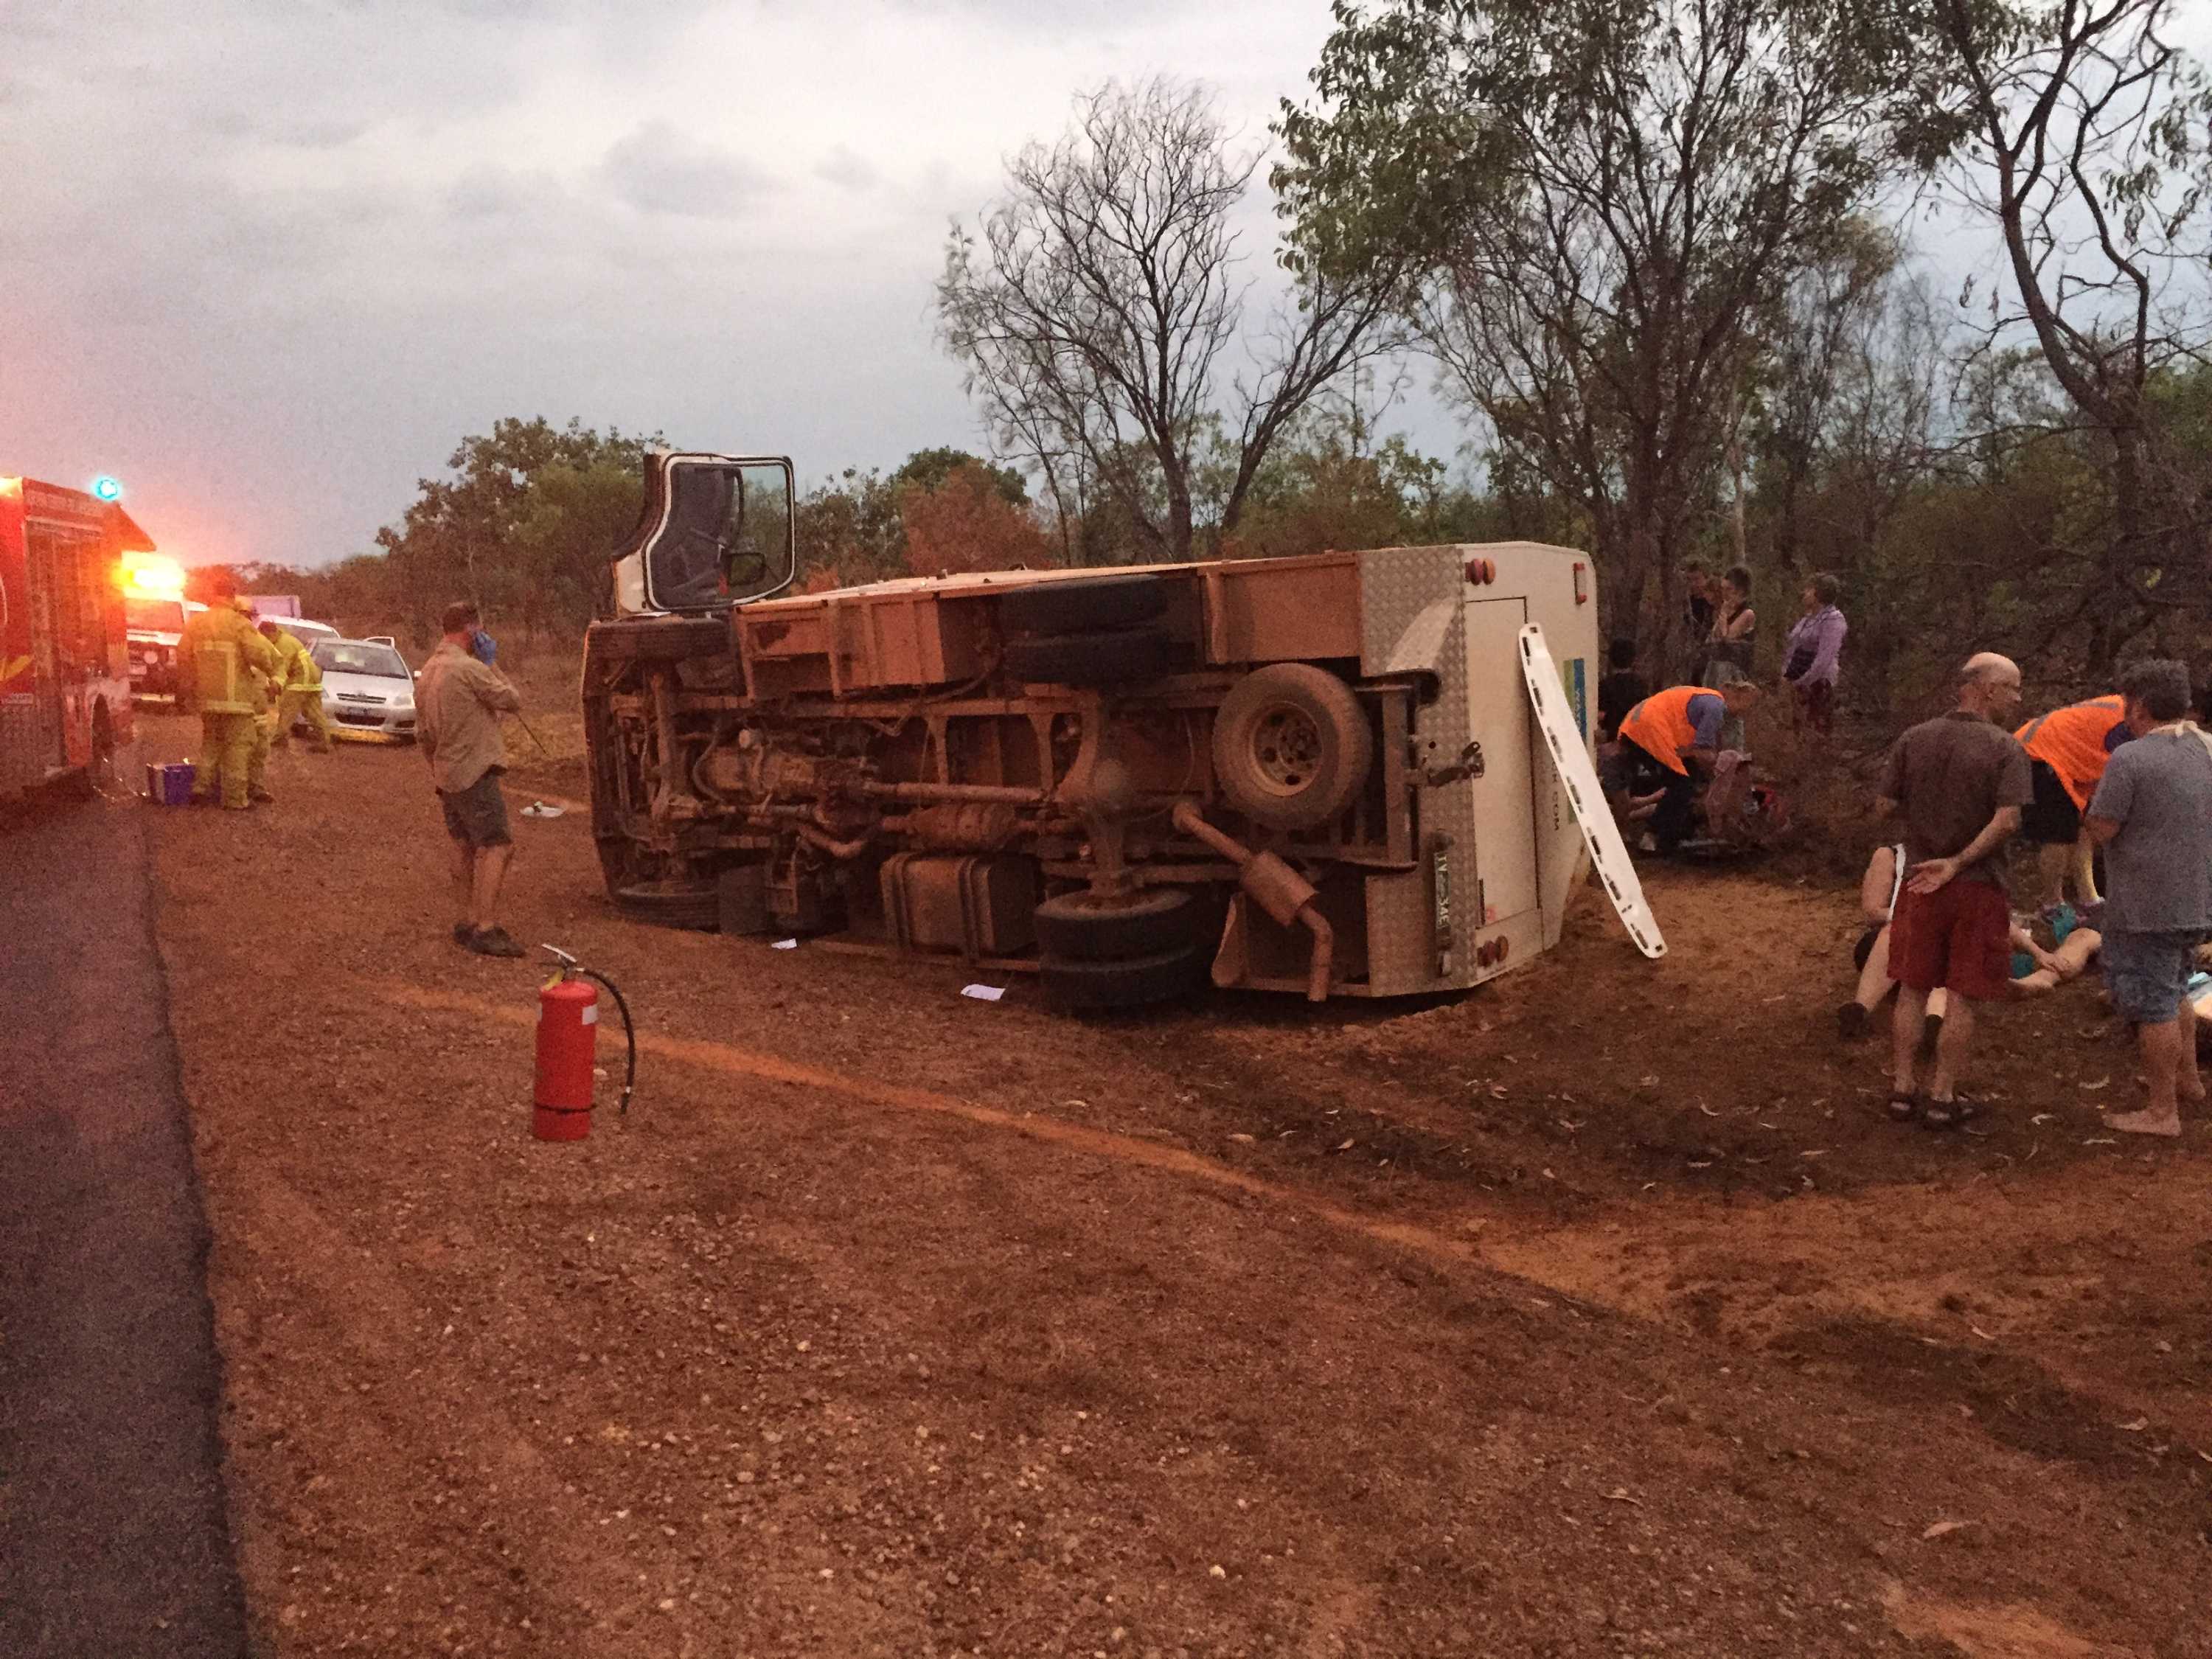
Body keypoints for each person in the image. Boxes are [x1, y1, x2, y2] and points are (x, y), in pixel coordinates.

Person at [1876, 652, 2030, 1129]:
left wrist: (1923, 829)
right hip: (1978, 886)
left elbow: (1882, 806)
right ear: (1985, 688)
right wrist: (1960, 859)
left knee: (1911, 989)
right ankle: (1942, 1096)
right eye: (2013, 688)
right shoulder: (2006, 749)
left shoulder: (1913, 738)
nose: (2018, 698)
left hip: (1920, 880)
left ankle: (1902, 1090)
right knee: (1963, 995)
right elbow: (2008, 820)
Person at [2080, 658, 2212, 1138]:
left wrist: (2085, 804)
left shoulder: (2130, 759)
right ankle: (2188, 1082)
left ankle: (2162, 1112)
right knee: (2177, 988)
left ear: (2138, 705)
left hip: (2146, 903)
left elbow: (2104, 827)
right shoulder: (2207, 749)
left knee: (2153, 1004)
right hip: (2197, 897)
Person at [418, 600, 527, 958]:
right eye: (480, 628)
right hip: (475, 771)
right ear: (472, 629)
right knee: (498, 845)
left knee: (462, 843)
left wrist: (436, 766)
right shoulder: (469, 669)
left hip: (447, 772)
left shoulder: (429, 670)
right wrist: (491, 661)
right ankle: (486, 925)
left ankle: (465, 919)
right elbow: (512, 700)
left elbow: (423, 735)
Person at [1614, 677, 1764, 855]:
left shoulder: (1709, 699)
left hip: (1639, 726)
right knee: (1682, 786)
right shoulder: (1716, 707)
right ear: (1741, 699)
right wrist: (1715, 775)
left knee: (1684, 782)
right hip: (1649, 730)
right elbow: (1704, 753)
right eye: (1751, 706)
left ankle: (1669, 832)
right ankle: (1654, 838)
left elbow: (1695, 749)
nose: (1748, 713)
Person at [177, 574, 282, 810]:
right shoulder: (238, 624)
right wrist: (271, 672)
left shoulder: (196, 623)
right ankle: (235, 800)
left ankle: (201, 789)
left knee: (211, 744)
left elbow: (182, 657)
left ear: (212, 596)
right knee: (238, 747)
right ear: (232, 597)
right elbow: (259, 654)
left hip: (207, 699)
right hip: (237, 702)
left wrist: (190, 686)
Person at [2014, 693, 2126, 911]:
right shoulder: (2131, 719)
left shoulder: (2127, 708)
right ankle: (2053, 904)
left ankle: (2089, 897)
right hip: (2041, 754)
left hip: (2064, 756)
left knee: (2083, 829)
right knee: (2058, 836)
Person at [1781, 572, 1848, 735]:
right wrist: (1786, 674)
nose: (1805, 593)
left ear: (1819, 593)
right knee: (1797, 730)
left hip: (1819, 684)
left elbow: (1824, 658)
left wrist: (1805, 681)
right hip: (1797, 678)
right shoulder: (1808, 619)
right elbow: (1793, 647)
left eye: (1809, 589)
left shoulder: (1833, 620)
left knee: (1816, 729)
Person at [260, 619, 334, 754]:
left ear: (270, 633)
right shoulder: (287, 639)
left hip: (300, 680)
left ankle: (279, 738)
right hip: (312, 679)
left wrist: (273, 685)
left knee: (287, 709)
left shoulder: (283, 644)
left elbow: (282, 667)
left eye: (265, 637)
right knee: (314, 713)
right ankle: (325, 742)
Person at [1703, 564, 1757, 685]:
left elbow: (1726, 638)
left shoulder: (1747, 613)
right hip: (1716, 665)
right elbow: (1713, 638)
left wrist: (1723, 617)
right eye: (1723, 589)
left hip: (1734, 670)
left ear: (1741, 591)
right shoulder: (1726, 610)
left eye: (1729, 589)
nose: (1725, 594)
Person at [1597, 638, 1646, 744]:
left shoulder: (1605, 686)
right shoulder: (1641, 686)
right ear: (1633, 660)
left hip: (1610, 740)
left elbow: (1599, 715)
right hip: (1634, 741)